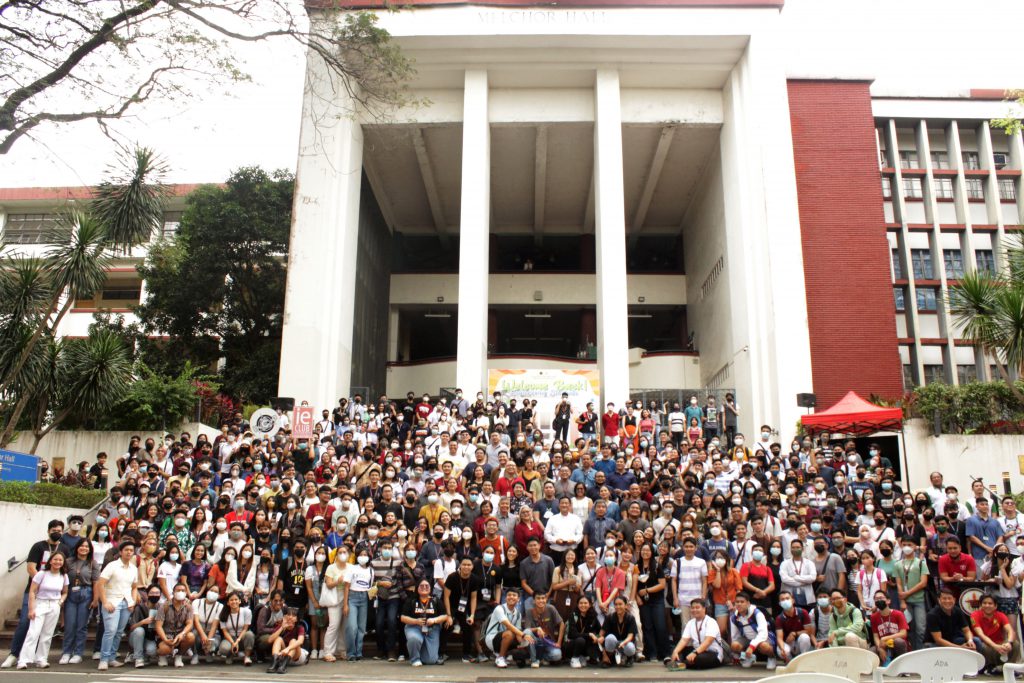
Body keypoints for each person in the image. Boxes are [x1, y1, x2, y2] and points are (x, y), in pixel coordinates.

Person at [2, 519, 70, 670]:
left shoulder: (64, 549)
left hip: (52, 599)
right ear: (48, 531)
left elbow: (65, 570)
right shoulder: (39, 546)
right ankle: (14, 655)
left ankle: (40, 658)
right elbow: (31, 567)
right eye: (54, 530)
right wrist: (42, 582)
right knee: (25, 624)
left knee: (47, 632)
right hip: (34, 593)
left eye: (59, 530)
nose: (57, 533)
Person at [16, 549, 68, 669]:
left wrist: (60, 602)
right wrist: (31, 609)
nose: (58, 562)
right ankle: (23, 660)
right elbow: (32, 591)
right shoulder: (41, 574)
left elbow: (65, 592)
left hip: (54, 605)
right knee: (33, 632)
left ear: (63, 562)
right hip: (40, 604)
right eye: (55, 559)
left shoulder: (63, 576)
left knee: (47, 634)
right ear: (50, 561)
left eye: (60, 560)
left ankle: (41, 659)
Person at [96, 539, 139, 670]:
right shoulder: (112, 565)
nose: (129, 552)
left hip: (126, 603)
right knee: (110, 630)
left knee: (119, 632)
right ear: (120, 552)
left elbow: (134, 587)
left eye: (131, 550)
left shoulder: (133, 568)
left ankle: (112, 658)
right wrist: (104, 602)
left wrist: (133, 601)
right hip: (112, 602)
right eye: (126, 550)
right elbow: (100, 584)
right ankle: (103, 659)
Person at [60, 540, 99, 664]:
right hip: (70, 592)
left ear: (90, 549)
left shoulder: (93, 563)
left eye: (87, 546)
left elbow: (96, 582)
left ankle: (78, 653)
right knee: (70, 625)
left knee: (81, 626)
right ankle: (66, 652)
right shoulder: (68, 562)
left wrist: (95, 598)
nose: (84, 548)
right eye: (81, 546)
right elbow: (62, 579)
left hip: (86, 592)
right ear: (77, 548)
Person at [667, 597, 723, 671]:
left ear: (704, 609)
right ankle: (679, 661)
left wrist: (695, 653)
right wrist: (675, 651)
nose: (694, 610)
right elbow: (684, 640)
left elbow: (708, 641)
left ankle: (681, 663)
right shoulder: (690, 623)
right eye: (692, 608)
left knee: (698, 659)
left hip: (713, 653)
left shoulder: (711, 622)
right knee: (678, 650)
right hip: (697, 651)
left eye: (697, 607)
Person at [971, 594, 1021, 674]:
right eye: (984, 603)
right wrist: (995, 646)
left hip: (999, 645)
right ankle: (990, 668)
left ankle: (1010, 668)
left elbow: (1010, 631)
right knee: (983, 646)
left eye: (990, 603)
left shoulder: (1001, 615)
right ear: (980, 605)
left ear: (995, 606)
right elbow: (981, 635)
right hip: (985, 646)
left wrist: (1009, 643)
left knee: (1015, 644)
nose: (987, 605)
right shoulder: (975, 615)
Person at [401, 579, 444, 667]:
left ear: (430, 588)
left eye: (427, 586)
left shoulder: (435, 599)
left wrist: (434, 620)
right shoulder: (411, 600)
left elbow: (445, 616)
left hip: (432, 629)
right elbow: (403, 618)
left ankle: (422, 655)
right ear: (417, 588)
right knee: (414, 639)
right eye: (421, 586)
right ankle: (414, 659)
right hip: (414, 627)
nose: (424, 587)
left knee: (430, 660)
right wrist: (415, 621)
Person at [729, 591, 776, 669]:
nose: (739, 604)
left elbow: (763, 634)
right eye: (737, 602)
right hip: (747, 638)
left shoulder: (757, 613)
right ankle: (748, 657)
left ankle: (771, 657)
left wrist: (752, 646)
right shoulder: (734, 617)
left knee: (764, 646)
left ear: (748, 603)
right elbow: (735, 636)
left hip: (763, 638)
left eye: (742, 602)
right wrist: (737, 655)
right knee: (734, 645)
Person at [155, 582, 195, 667]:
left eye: (183, 590)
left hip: (180, 635)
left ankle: (178, 656)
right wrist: (165, 639)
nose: (180, 592)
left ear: (186, 593)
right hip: (166, 635)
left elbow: (190, 623)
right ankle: (162, 656)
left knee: (191, 636)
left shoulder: (188, 607)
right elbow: (158, 626)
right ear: (173, 593)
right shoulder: (164, 606)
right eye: (178, 590)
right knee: (164, 649)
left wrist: (182, 634)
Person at [868, 589, 909, 664]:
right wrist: (880, 648)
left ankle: (903, 666)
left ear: (888, 601)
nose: (879, 600)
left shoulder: (898, 614)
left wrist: (885, 638)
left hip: (896, 645)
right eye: (876, 599)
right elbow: (876, 636)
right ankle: (879, 669)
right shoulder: (873, 617)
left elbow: (903, 633)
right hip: (883, 645)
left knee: (899, 641)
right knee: (871, 651)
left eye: (881, 598)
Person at [127, 586, 163, 669]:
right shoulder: (139, 607)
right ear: (147, 594)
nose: (155, 595)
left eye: (157, 593)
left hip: (150, 637)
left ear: (160, 595)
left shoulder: (161, 607)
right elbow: (132, 628)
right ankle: (138, 658)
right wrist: (143, 622)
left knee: (152, 651)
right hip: (136, 636)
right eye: (152, 593)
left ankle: (144, 656)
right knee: (139, 630)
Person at [774, 590, 813, 663]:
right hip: (788, 643)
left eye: (787, 598)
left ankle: (803, 660)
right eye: (782, 599)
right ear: (780, 604)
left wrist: (795, 633)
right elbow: (779, 638)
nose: (785, 601)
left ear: (793, 600)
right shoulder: (779, 618)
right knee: (781, 650)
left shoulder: (803, 612)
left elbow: (809, 631)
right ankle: (789, 660)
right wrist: (782, 649)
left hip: (800, 642)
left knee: (805, 637)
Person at [599, 595, 638, 667]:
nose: (618, 607)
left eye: (620, 604)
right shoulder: (609, 617)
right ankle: (609, 658)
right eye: (616, 604)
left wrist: (623, 643)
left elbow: (630, 636)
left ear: (626, 605)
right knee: (609, 637)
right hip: (614, 642)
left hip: (625, 642)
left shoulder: (630, 618)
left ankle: (629, 657)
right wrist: (603, 651)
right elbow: (601, 634)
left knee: (630, 647)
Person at [265, 609, 307, 674]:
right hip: (283, 655)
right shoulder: (281, 626)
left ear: (297, 619)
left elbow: (300, 641)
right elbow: (269, 640)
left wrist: (287, 649)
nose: (290, 617)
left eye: (293, 615)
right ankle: (274, 665)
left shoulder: (300, 627)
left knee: (293, 640)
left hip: (296, 657)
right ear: (285, 617)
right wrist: (282, 627)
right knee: (278, 639)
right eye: (289, 615)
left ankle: (283, 667)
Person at [564, 594, 601, 668]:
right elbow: (572, 634)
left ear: (590, 604)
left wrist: (598, 638)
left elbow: (600, 630)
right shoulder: (573, 615)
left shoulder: (593, 616)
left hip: (585, 643)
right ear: (577, 604)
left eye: (585, 603)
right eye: (581, 603)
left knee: (595, 654)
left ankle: (582, 656)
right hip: (571, 644)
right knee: (580, 640)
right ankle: (574, 658)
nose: (583, 605)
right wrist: (589, 635)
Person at [191, 587, 221, 665]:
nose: (213, 593)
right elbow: (196, 621)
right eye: (211, 590)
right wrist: (203, 635)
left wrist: (208, 641)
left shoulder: (220, 606)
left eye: (216, 592)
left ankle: (209, 653)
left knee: (216, 642)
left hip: (212, 631)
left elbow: (215, 625)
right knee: (192, 635)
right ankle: (195, 654)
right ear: (207, 591)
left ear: (219, 595)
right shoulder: (197, 602)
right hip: (198, 629)